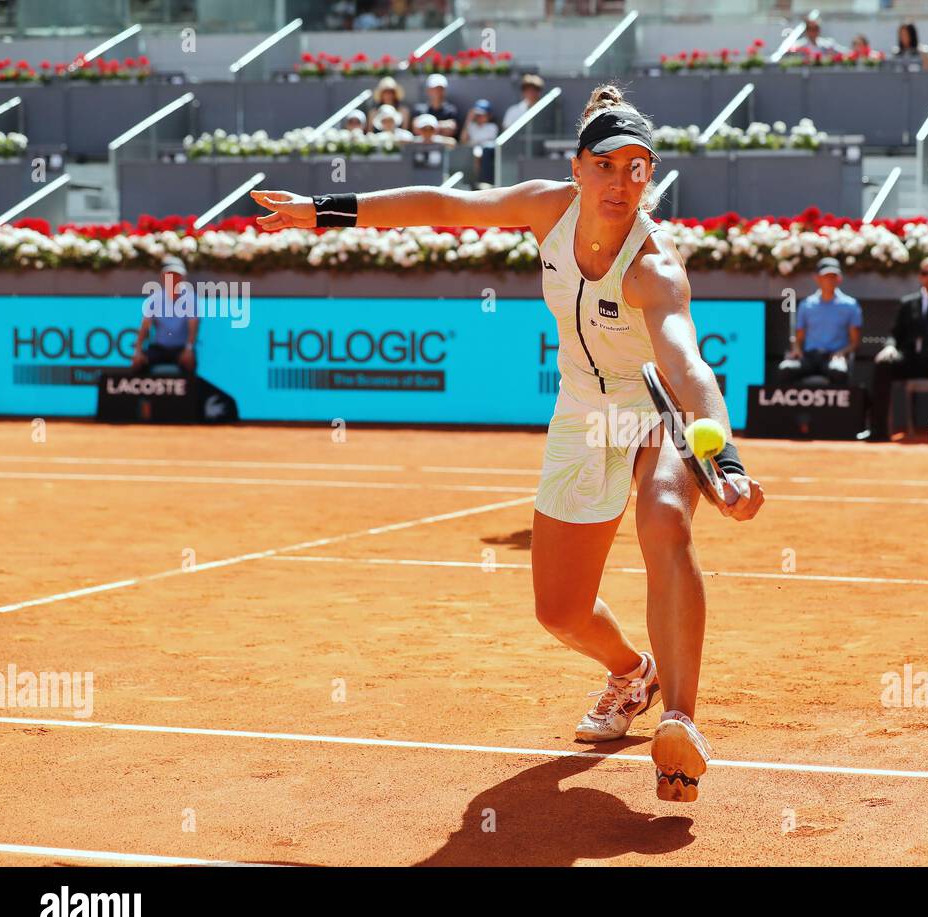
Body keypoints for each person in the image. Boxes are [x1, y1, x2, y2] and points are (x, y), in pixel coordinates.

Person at [250, 85, 766, 803]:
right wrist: (325, 211)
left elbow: (687, 366)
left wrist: (728, 461)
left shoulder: (655, 267)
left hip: (653, 412)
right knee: (558, 611)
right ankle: (631, 673)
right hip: (582, 414)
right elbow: (443, 205)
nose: (623, 183)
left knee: (666, 526)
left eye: (639, 169)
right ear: (579, 167)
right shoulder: (543, 208)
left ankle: (681, 723)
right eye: (609, 166)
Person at [861, 255, 928, 442]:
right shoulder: (908, 303)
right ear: (920, 276)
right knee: (883, 364)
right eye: (925, 273)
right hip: (912, 359)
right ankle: (878, 431)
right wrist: (889, 347)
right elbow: (895, 334)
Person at [777, 256, 862, 386]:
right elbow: (798, 338)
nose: (829, 280)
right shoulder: (806, 305)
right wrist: (797, 349)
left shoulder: (850, 305)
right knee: (786, 370)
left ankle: (837, 407)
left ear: (839, 279)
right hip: (809, 357)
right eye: (826, 276)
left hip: (833, 357)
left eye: (833, 276)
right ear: (817, 278)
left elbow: (855, 342)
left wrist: (842, 353)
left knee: (839, 372)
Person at [132, 257, 199, 374]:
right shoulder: (155, 298)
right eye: (170, 275)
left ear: (183, 277)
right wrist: (137, 352)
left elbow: (193, 327)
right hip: (159, 348)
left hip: (180, 348)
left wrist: (188, 349)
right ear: (162, 277)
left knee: (189, 361)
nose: (173, 279)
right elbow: (145, 327)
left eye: (177, 275)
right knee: (138, 364)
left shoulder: (190, 298)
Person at [414, 73, 460, 138]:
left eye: (441, 89)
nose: (438, 92)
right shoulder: (419, 109)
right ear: (428, 90)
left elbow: (451, 129)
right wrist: (441, 127)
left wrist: (427, 127)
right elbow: (416, 129)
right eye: (435, 89)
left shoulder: (451, 110)